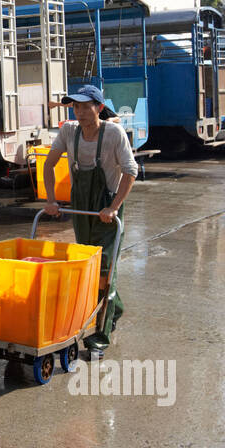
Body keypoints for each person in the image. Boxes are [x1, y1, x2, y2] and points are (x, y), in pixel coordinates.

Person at [40, 85, 137, 353]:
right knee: (89, 270)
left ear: (99, 108)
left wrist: (114, 207)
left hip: (107, 210)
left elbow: (131, 171)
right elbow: (49, 164)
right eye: (76, 106)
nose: (80, 112)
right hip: (82, 209)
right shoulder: (69, 132)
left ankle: (98, 339)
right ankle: (113, 311)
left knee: (104, 273)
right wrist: (51, 200)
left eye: (85, 106)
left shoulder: (113, 133)